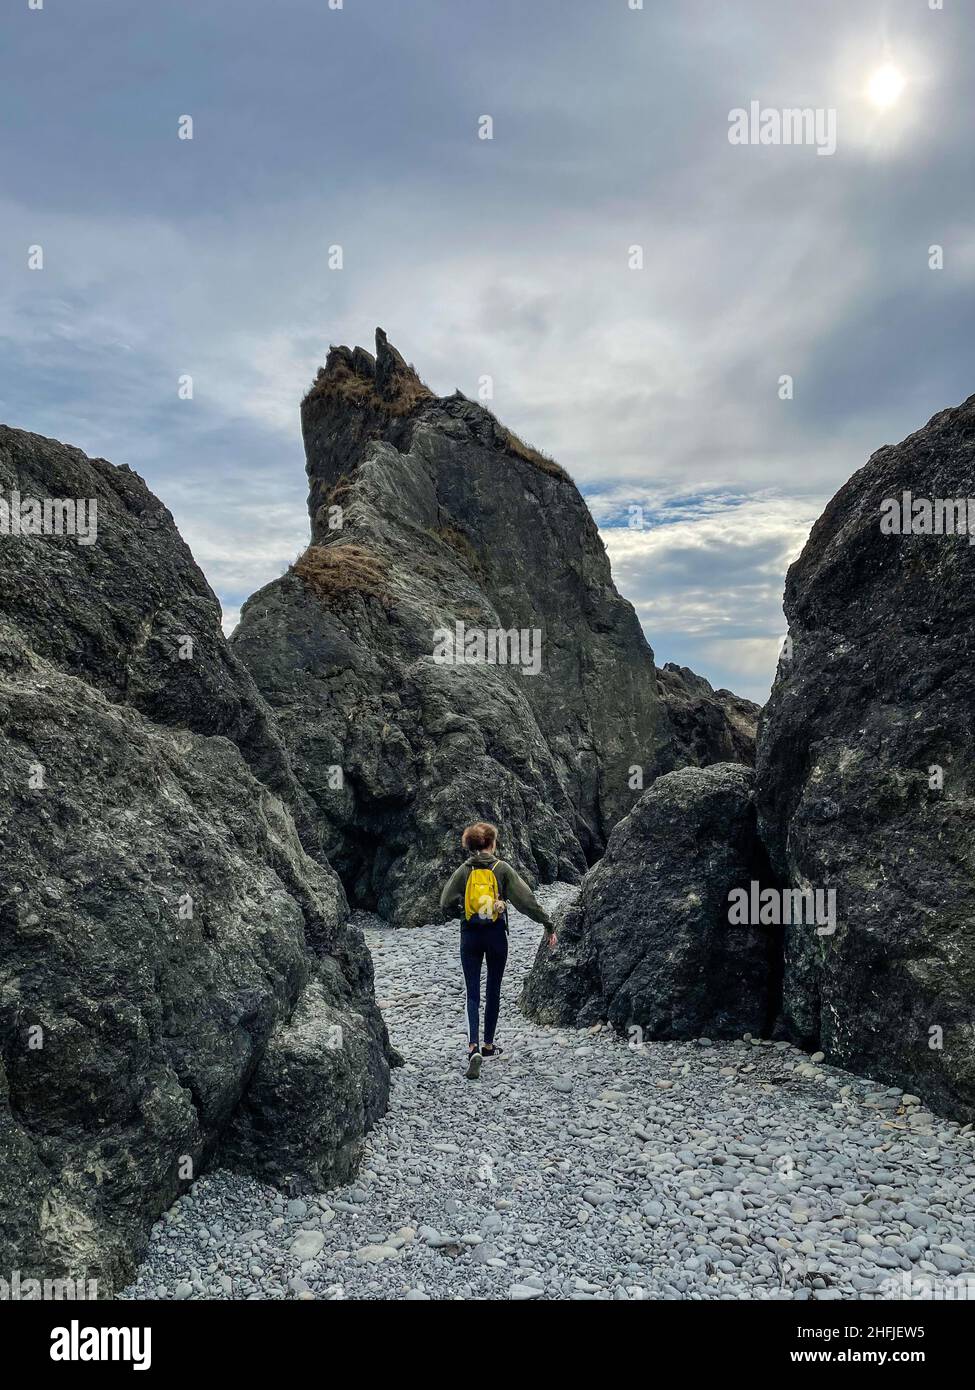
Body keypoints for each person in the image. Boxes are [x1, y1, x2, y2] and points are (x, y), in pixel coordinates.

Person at [440, 821, 557, 1080]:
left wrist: (466, 910)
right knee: (493, 989)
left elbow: (445, 900)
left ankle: (472, 1047)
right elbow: (526, 901)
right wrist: (547, 923)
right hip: (495, 936)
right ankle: (489, 1046)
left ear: (470, 846)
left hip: (469, 935)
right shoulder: (501, 868)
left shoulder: (464, 870)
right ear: (492, 844)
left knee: (472, 991)